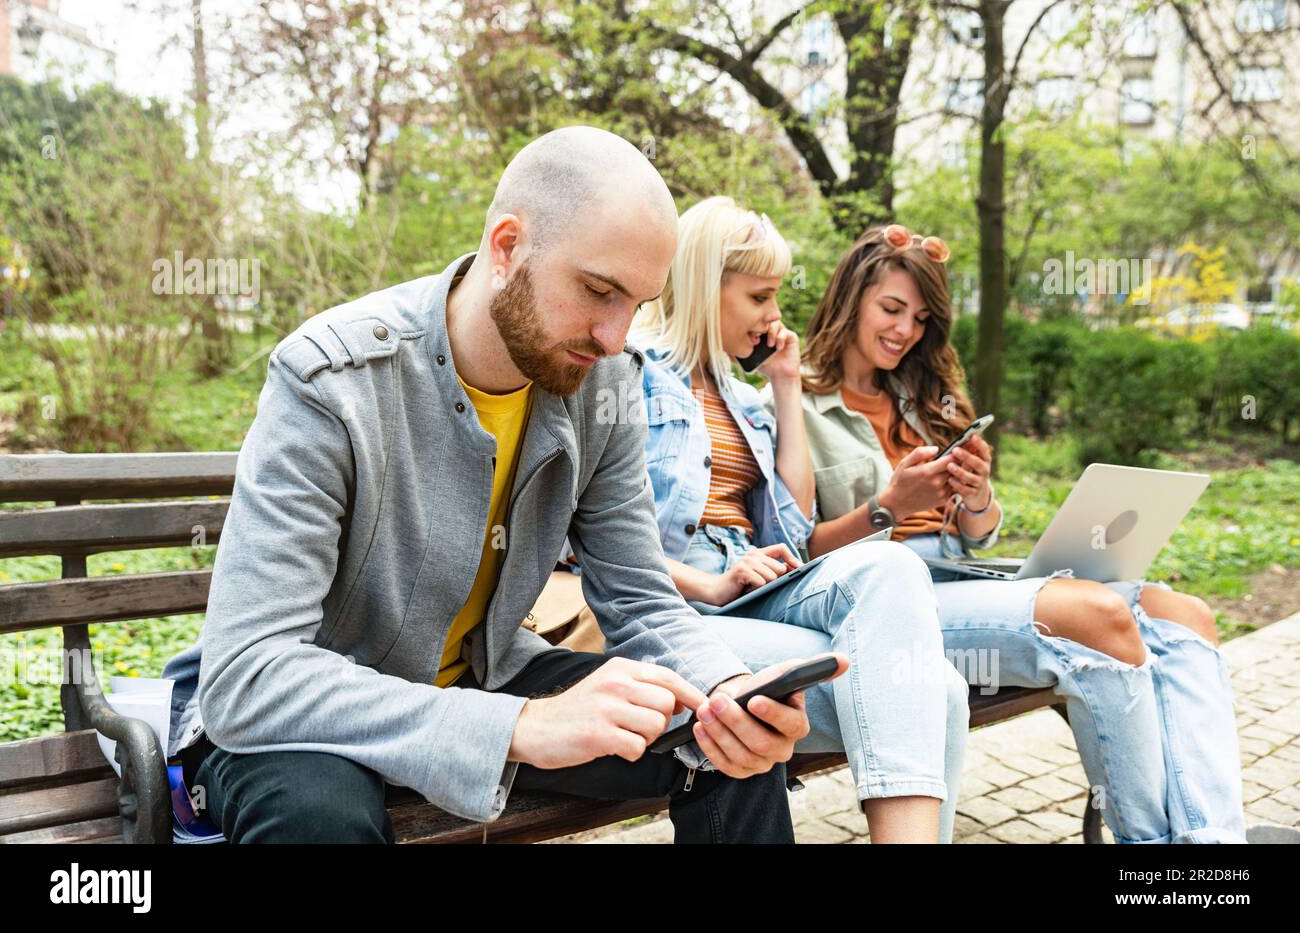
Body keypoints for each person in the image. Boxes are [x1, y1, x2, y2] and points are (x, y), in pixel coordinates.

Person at [160, 127, 842, 844]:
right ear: (507, 246)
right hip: (311, 712)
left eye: (637, 303)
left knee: (721, 745)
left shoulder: (604, 383)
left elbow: (643, 602)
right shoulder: (333, 381)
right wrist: (518, 725)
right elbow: (251, 675)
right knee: (318, 818)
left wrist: (729, 689)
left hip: (483, 681)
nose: (615, 336)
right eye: (599, 290)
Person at [793, 223, 1246, 844]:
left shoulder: (920, 396)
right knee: (1099, 617)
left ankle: (1212, 849)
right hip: (886, 602)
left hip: (964, 574)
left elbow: (974, 535)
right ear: (849, 301)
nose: (905, 331)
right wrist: (888, 509)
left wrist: (977, 497)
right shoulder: (794, 405)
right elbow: (795, 553)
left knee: (1184, 614)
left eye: (921, 318)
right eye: (891, 309)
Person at [628, 197, 969, 843]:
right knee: (937, 690)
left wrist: (785, 384)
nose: (774, 314)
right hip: (677, 603)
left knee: (897, 581)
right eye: (760, 295)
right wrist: (710, 582)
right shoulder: (629, 373)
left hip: (756, 586)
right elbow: (583, 540)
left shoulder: (741, 396)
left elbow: (791, 532)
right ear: (706, 286)